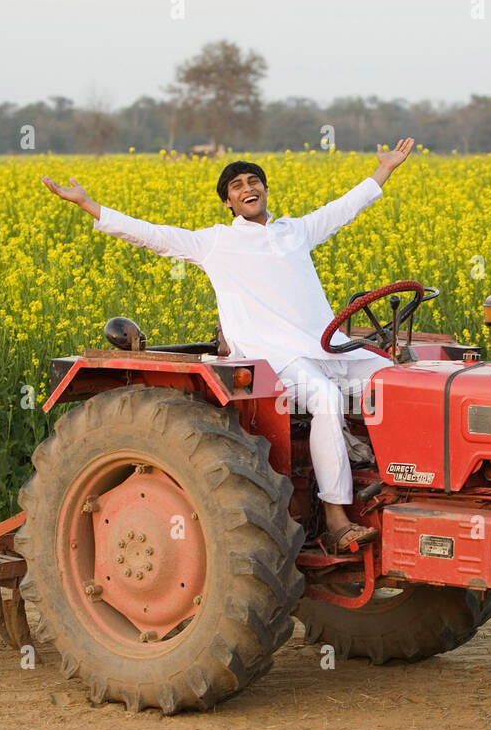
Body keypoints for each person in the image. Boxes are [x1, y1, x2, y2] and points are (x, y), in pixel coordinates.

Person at [41, 137, 415, 552]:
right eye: (236, 186)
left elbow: (344, 208)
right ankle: (335, 518)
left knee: (400, 380)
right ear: (229, 203)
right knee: (326, 399)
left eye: (253, 181)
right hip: (275, 355)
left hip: (328, 345)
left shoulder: (295, 231)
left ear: (265, 190)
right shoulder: (216, 242)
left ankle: (409, 487)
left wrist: (386, 169)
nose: (246, 188)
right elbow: (152, 235)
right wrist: (89, 205)